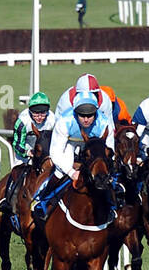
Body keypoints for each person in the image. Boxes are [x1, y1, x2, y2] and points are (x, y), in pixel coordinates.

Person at [31, 89, 115, 225]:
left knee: (105, 176)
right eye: (82, 115)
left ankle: (112, 206)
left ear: (96, 112)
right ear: (75, 112)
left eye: (90, 115)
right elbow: (56, 152)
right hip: (69, 145)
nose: (86, 119)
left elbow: (110, 152)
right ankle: (42, 200)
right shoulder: (64, 121)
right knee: (59, 173)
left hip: (94, 148)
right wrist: (71, 172)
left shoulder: (104, 124)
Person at [0, 90, 54, 213]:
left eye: (43, 113)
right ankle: (7, 199)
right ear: (30, 111)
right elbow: (17, 144)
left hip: (45, 155)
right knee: (16, 174)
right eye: (36, 113)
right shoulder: (22, 122)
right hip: (25, 155)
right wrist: (28, 152)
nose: (40, 117)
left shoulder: (53, 120)